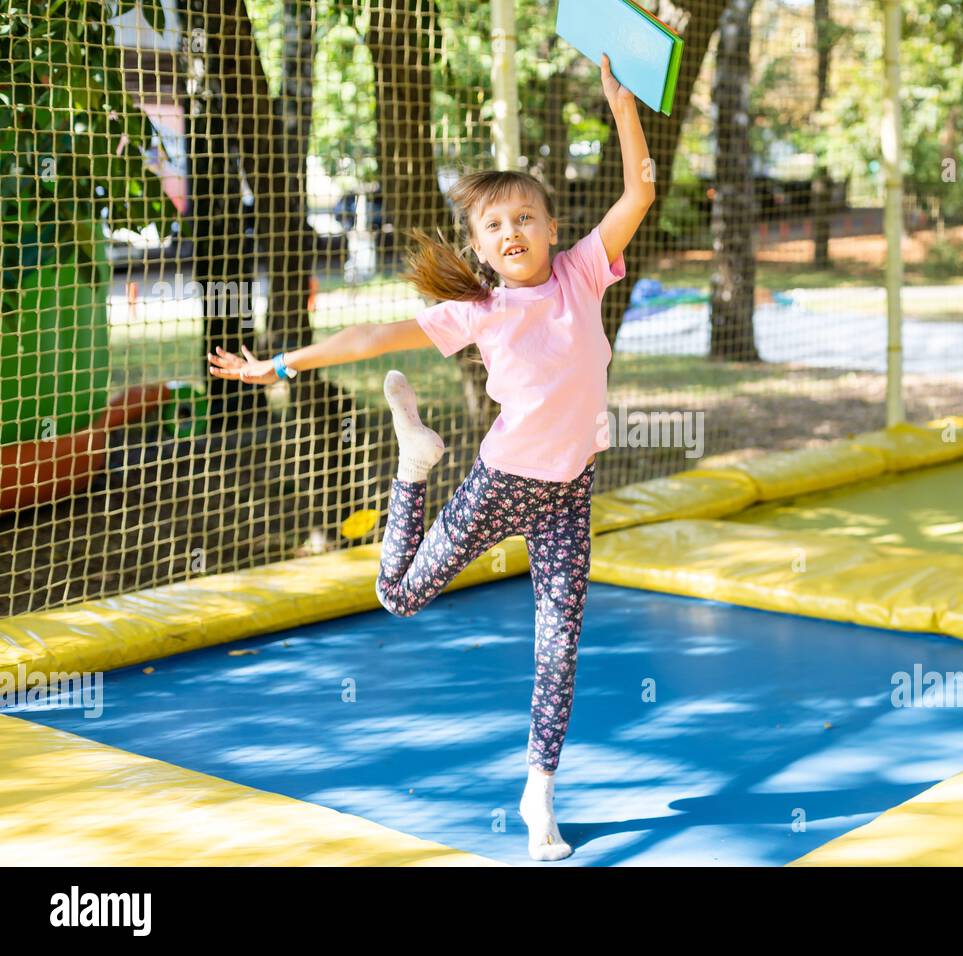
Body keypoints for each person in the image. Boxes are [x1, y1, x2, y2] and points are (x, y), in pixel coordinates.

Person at [207, 54, 654, 862]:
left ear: (552, 228)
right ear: (482, 249)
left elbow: (639, 193)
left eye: (525, 217)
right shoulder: (479, 310)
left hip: (572, 493)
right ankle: (414, 460)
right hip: (502, 484)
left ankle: (539, 795)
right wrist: (281, 365)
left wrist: (621, 107)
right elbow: (371, 338)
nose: (511, 230)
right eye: (494, 226)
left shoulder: (585, 272)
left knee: (560, 645)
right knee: (398, 596)